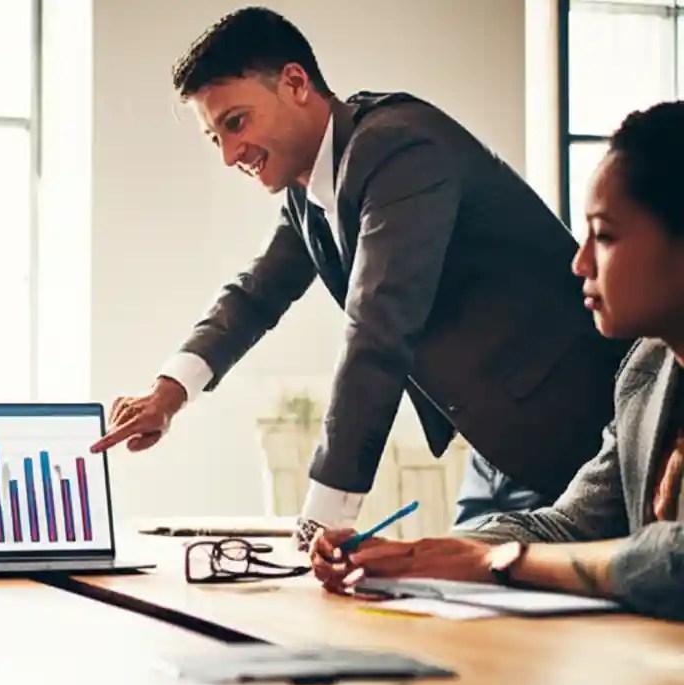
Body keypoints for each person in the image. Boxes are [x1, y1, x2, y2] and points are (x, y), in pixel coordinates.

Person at [90, 6, 630, 548]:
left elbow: (378, 327)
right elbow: (254, 296)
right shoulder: (311, 191)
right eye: (216, 139)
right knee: (450, 600)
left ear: (296, 83)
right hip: (498, 445)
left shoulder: (397, 149)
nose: (231, 155)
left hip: (578, 433)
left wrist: (322, 515)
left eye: (236, 123)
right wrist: (166, 396)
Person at [311, 102, 684, 621]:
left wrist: (499, 560)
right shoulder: (646, 372)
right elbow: (572, 525)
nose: (580, 262)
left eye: (605, 235)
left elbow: (675, 559)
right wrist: (416, 555)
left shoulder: (399, 141)